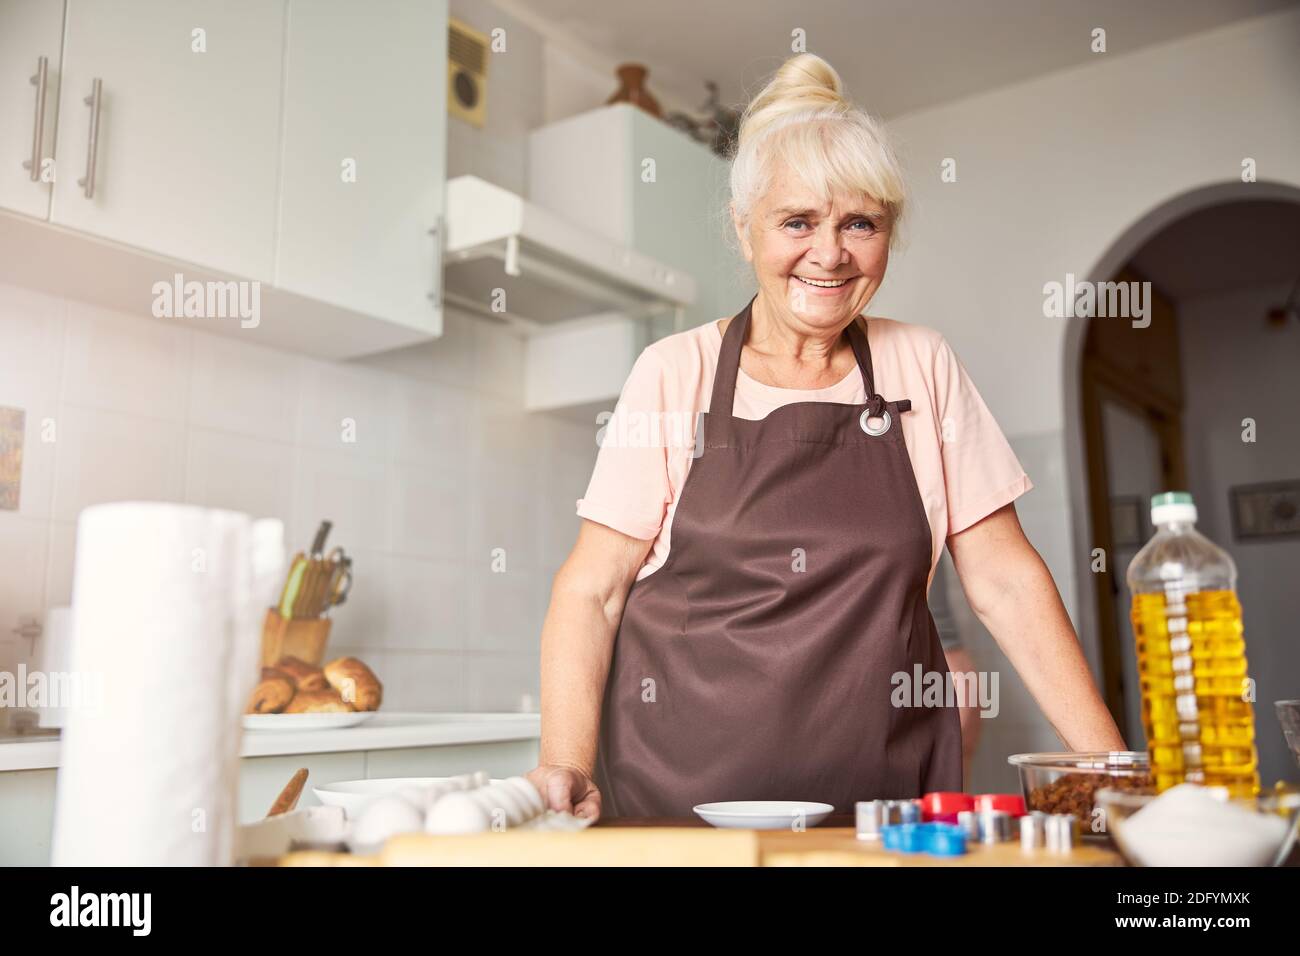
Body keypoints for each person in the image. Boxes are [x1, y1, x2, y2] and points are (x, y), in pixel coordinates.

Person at [527, 53, 1123, 821]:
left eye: (859, 223)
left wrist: (1112, 772)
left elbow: (1006, 583)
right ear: (745, 230)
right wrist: (566, 762)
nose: (830, 253)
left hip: (882, 811)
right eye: (798, 221)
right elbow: (592, 589)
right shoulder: (675, 371)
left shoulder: (922, 362)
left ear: (888, 234)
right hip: (679, 808)